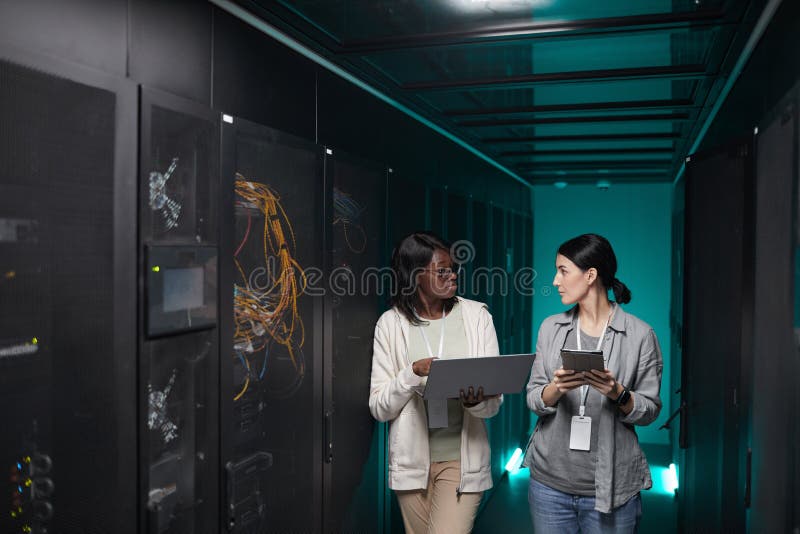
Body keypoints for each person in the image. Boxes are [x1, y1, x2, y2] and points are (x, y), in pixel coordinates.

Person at [523, 233, 663, 533]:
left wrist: (618, 393)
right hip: (548, 486)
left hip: (612, 488)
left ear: (590, 275)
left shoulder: (640, 335)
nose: (555, 281)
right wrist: (556, 389)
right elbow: (533, 396)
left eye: (563, 271)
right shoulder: (550, 328)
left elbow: (650, 410)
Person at [369, 231, 502, 534]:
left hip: (462, 462)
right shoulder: (390, 324)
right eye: (442, 271)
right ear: (415, 276)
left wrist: (475, 400)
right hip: (411, 466)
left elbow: (493, 405)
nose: (452, 276)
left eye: (453, 269)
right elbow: (379, 408)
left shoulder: (477, 317)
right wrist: (412, 373)